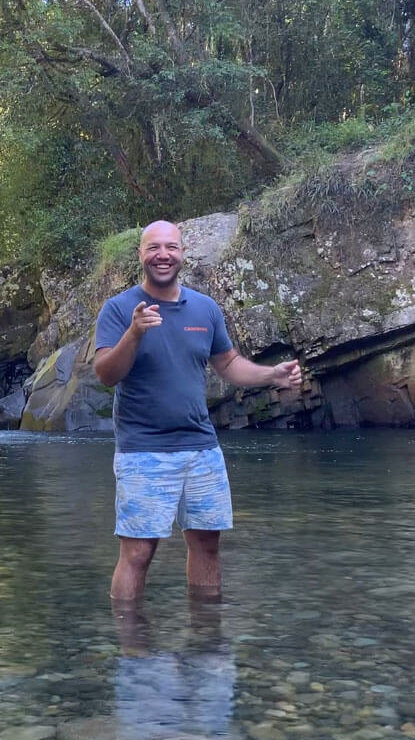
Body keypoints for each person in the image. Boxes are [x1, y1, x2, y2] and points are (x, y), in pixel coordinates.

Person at [93, 219, 303, 602]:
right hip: (144, 451)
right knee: (138, 553)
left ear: (182, 253)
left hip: (202, 450)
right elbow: (107, 374)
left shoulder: (205, 309)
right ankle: (131, 647)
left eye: (171, 247)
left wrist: (272, 375)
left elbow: (228, 364)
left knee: (207, 544)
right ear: (140, 254)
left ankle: (207, 641)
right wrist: (135, 333)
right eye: (153, 247)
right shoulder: (120, 309)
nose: (163, 255)